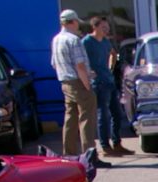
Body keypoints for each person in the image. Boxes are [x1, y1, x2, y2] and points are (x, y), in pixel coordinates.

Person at [50, 9, 108, 166]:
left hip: (65, 82)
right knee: (87, 119)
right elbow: (80, 65)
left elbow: (54, 64)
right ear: (73, 22)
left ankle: (68, 155)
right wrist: (87, 84)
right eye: (76, 22)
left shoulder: (56, 39)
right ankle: (90, 157)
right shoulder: (74, 40)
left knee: (70, 118)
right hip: (78, 82)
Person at [82, 16, 133, 157]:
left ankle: (117, 143)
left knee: (117, 114)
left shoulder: (105, 41)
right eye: (103, 27)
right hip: (98, 83)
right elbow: (80, 59)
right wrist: (88, 72)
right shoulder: (86, 42)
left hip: (109, 81)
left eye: (107, 27)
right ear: (95, 27)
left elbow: (113, 53)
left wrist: (110, 67)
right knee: (103, 115)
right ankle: (105, 146)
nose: (106, 30)